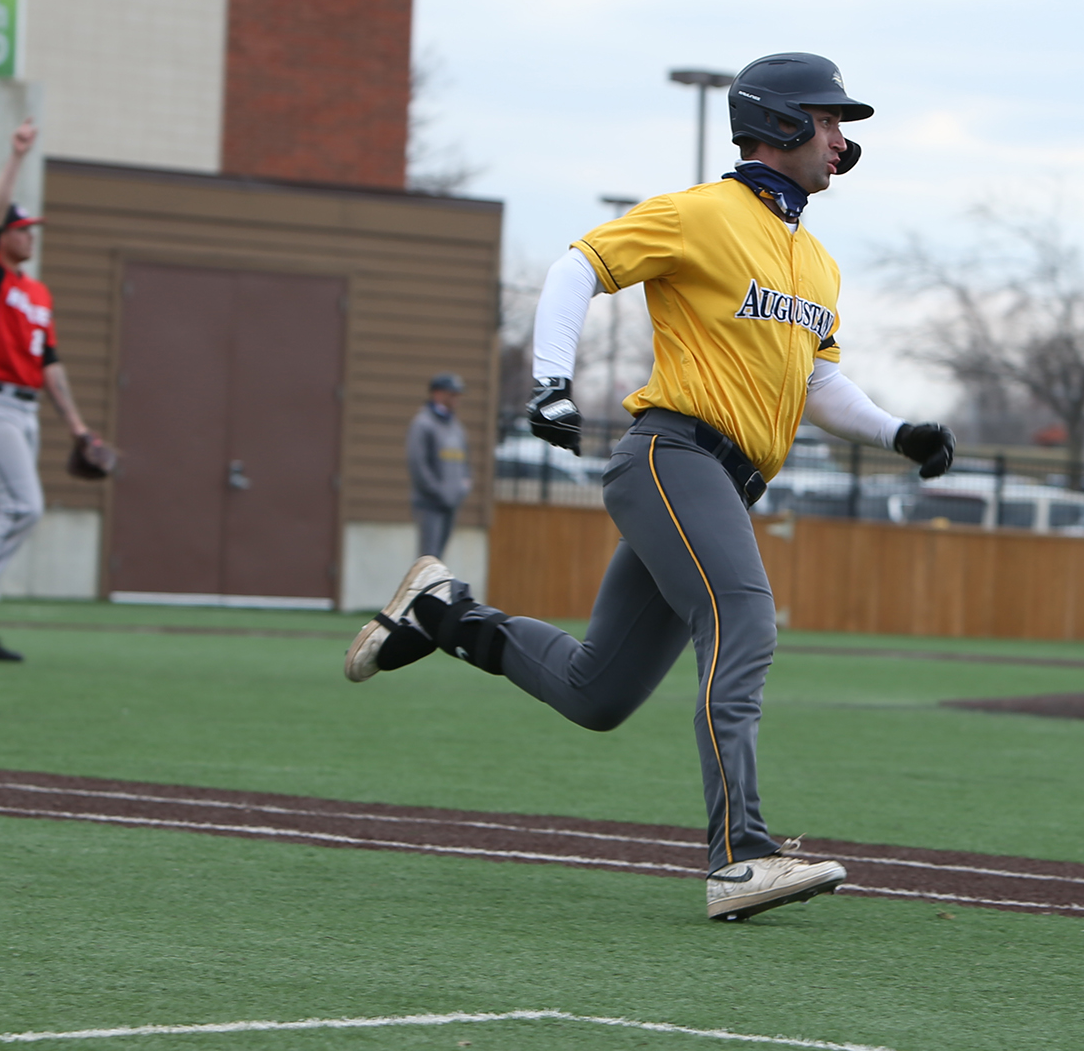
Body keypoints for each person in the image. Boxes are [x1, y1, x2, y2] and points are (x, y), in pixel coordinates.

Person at [343, 52, 956, 922]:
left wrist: (898, 432)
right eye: (827, 119)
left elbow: (817, 382)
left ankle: (443, 610)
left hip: (720, 482)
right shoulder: (700, 213)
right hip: (675, 458)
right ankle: (741, 858)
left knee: (600, 694)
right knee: (742, 617)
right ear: (779, 123)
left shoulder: (816, 261)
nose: (840, 138)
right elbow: (577, 268)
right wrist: (549, 381)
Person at [0, 118, 105, 661]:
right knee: (23, 507)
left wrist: (77, 427)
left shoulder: (37, 291)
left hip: (25, 409)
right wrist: (15, 158)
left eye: (31, 228)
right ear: (5, 237)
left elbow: (49, 363)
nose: (29, 234)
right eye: (23, 228)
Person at [406, 372, 470, 558]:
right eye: (452, 394)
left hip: (451, 502)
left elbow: (464, 462)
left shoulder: (456, 426)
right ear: (437, 394)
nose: (456, 398)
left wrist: (462, 486)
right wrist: (437, 491)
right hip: (430, 503)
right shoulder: (423, 424)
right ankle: (426, 588)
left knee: (440, 558)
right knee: (428, 558)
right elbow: (417, 464)